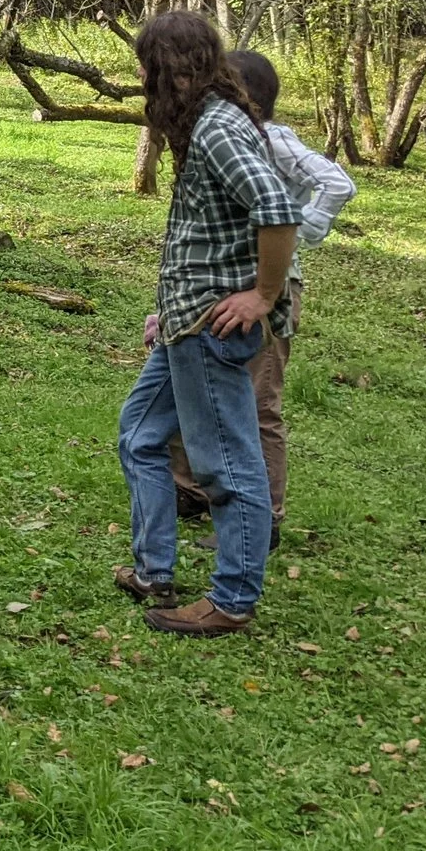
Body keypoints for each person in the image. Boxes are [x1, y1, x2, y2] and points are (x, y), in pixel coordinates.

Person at [113, 10, 301, 637]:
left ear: (175, 68)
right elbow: (208, 234)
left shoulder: (219, 127)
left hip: (213, 331)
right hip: (184, 322)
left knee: (226, 464)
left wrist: (263, 295)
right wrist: (168, 305)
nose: (142, 77)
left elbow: (276, 207)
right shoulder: (202, 125)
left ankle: (233, 599)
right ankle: (153, 569)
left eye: (149, 66)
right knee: (140, 437)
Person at [168, 48, 355, 524]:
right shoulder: (218, 134)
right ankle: (191, 490)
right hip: (221, 286)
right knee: (196, 387)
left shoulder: (271, 139)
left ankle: (264, 514)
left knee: (256, 404)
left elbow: (335, 183)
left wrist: (304, 230)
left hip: (267, 291)